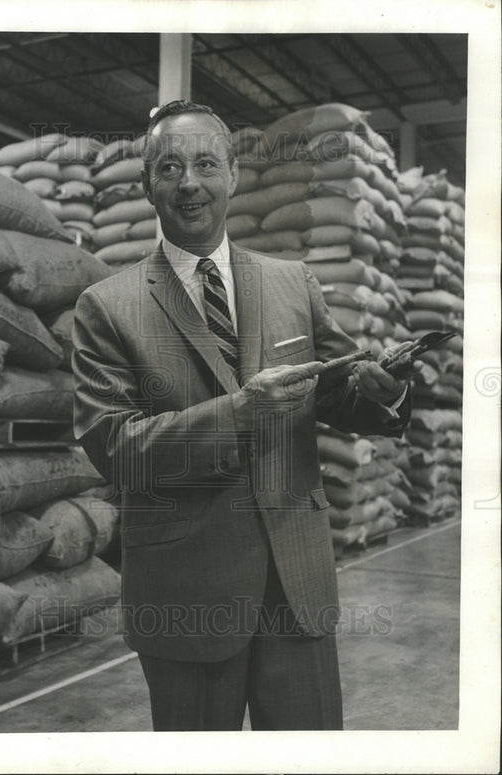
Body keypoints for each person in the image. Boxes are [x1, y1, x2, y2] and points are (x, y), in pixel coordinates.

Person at [72, 100, 420, 731]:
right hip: (186, 595)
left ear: (232, 174)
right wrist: (238, 412)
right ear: (146, 183)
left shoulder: (293, 283)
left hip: (297, 584)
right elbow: (115, 447)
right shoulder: (107, 306)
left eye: (206, 163)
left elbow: (339, 390)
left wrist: (385, 392)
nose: (190, 183)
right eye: (170, 167)